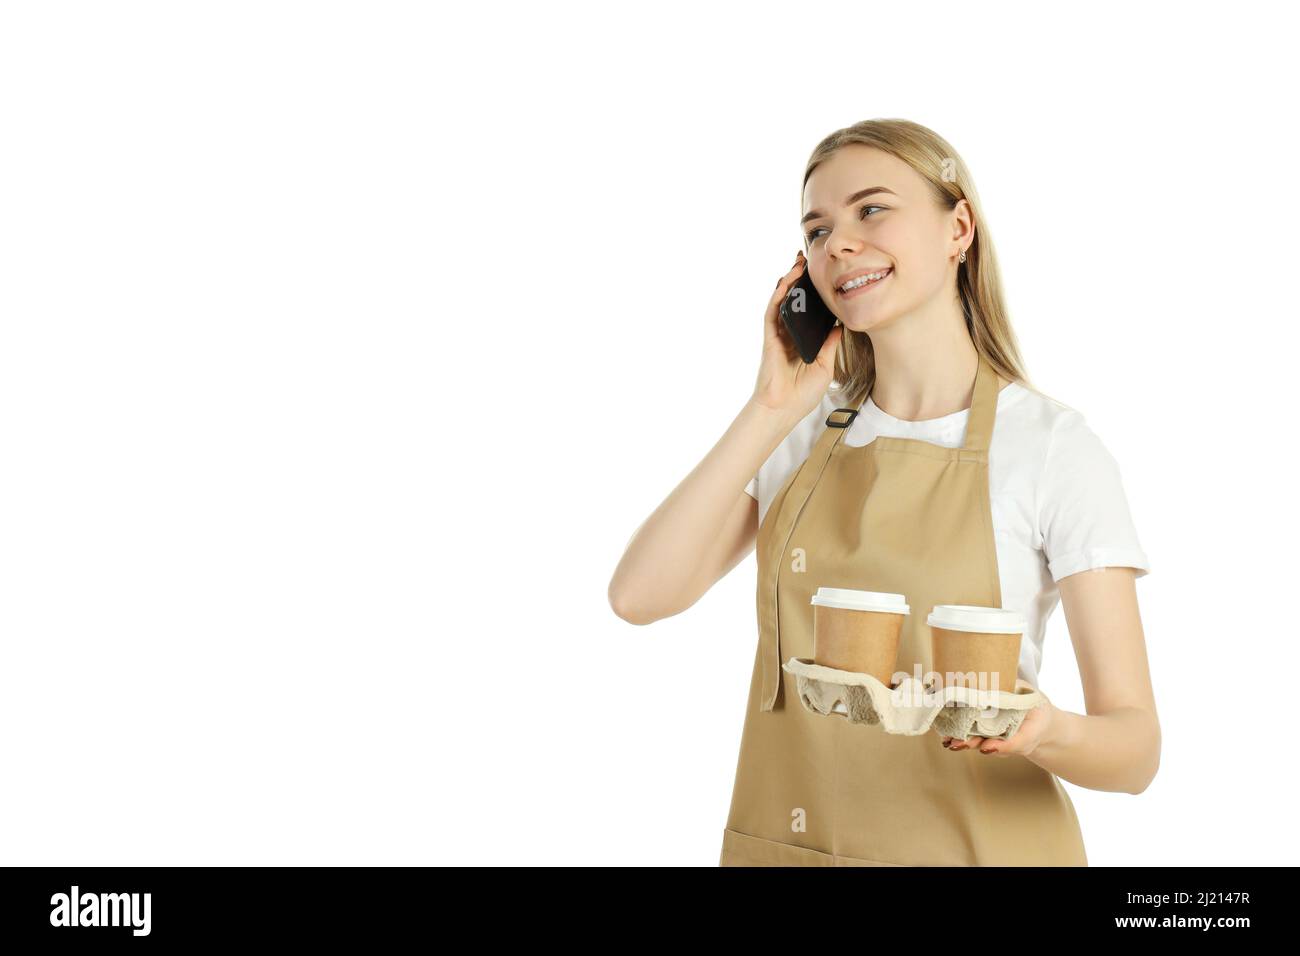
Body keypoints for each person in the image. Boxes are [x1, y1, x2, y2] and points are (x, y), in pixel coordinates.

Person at [607, 119, 1160, 866]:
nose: (836, 243)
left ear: (958, 226)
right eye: (816, 229)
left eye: (871, 210)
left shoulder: (1052, 449)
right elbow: (640, 596)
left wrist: (1044, 729)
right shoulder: (796, 437)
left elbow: (1135, 752)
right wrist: (770, 408)